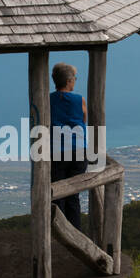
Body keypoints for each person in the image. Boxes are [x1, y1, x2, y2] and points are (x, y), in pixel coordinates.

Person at [49, 62, 89, 230]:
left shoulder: (48, 98)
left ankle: (59, 230)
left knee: (57, 194)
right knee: (73, 194)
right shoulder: (79, 99)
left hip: (57, 150)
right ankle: (75, 232)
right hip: (79, 150)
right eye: (74, 79)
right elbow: (84, 119)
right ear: (69, 81)